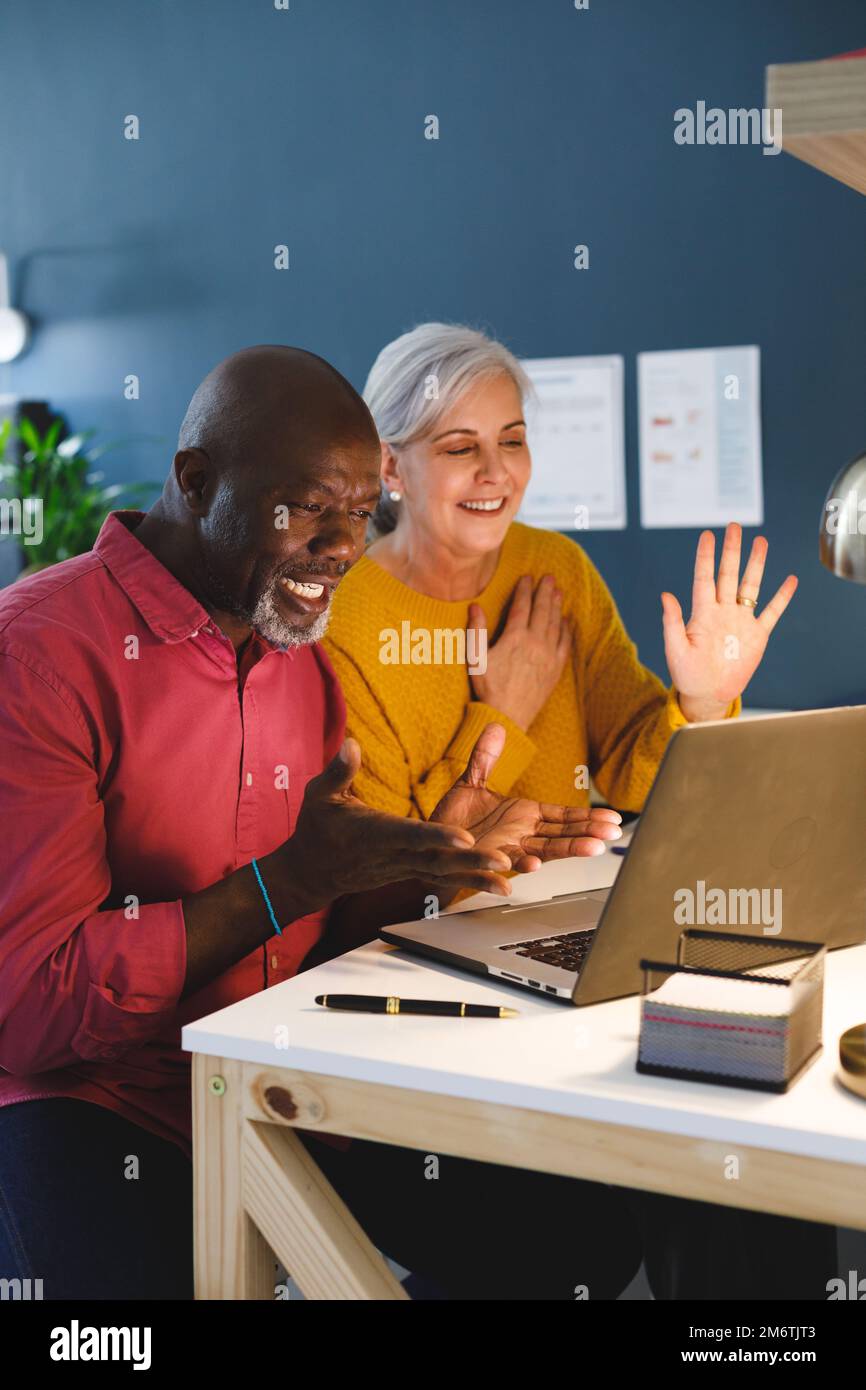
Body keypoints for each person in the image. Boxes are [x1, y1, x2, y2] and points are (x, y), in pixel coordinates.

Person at [0, 344, 630, 1301]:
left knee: (581, 1226)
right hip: (98, 1105)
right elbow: (28, 1011)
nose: (343, 546)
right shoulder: (39, 656)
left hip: (282, 1081)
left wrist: (431, 869)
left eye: (357, 513)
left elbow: (317, 930)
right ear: (197, 482)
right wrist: (283, 882)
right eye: (306, 510)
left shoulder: (300, 660)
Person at [311, 322, 837, 1300]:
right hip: (421, 1007)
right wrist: (497, 713)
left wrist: (701, 702)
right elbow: (379, 880)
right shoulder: (343, 621)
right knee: (630, 1201)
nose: (495, 471)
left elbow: (638, 765)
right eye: (457, 445)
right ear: (389, 464)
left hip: (565, 955)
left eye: (511, 438)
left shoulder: (552, 568)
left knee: (746, 1157)